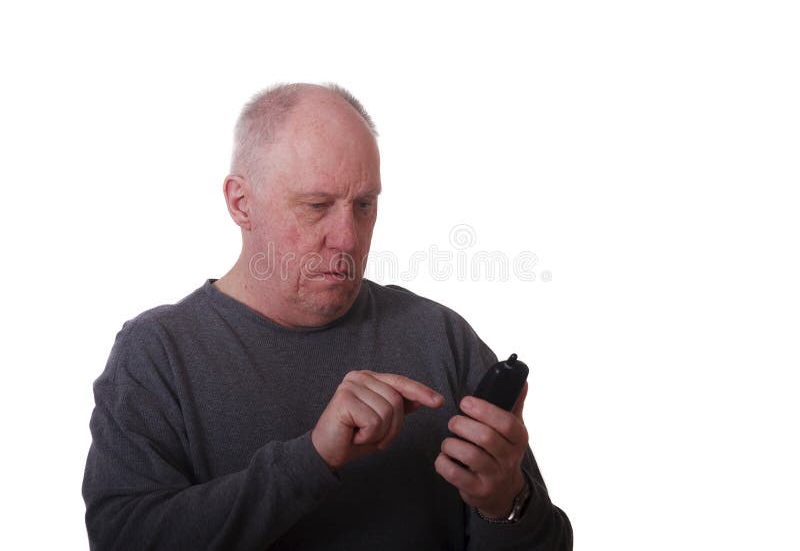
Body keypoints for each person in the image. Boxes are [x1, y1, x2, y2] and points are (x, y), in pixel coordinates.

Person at [82, 83, 573, 550]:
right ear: (240, 202)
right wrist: (312, 459)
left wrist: (506, 504)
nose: (347, 238)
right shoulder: (157, 354)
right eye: (317, 206)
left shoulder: (440, 335)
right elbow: (123, 540)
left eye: (364, 205)